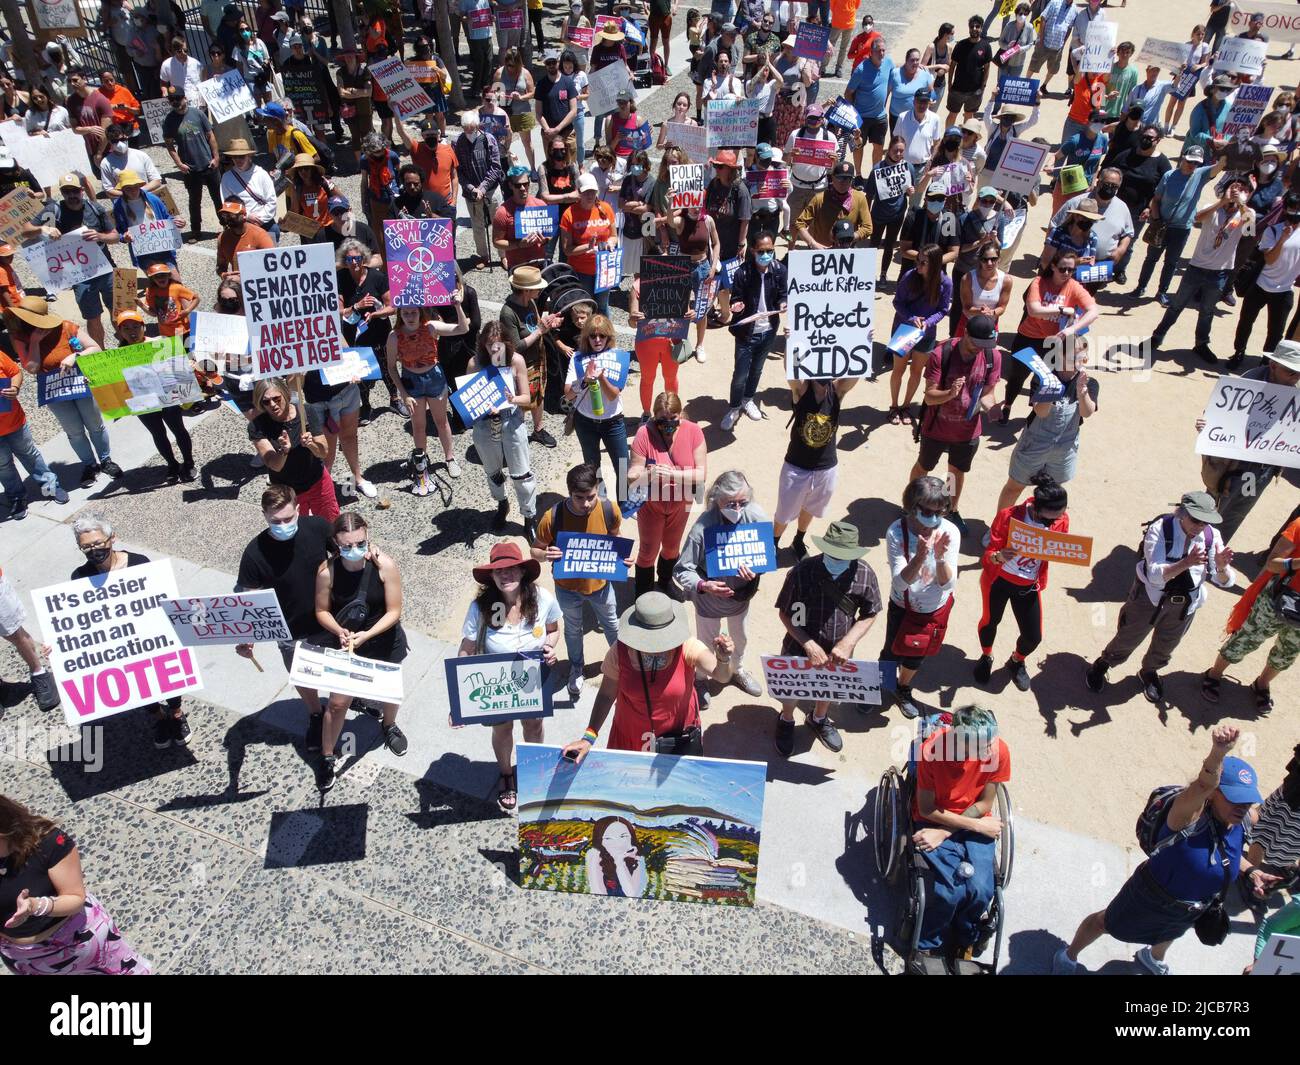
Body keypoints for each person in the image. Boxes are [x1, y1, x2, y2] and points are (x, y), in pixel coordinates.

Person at [1056, 725, 1275, 975]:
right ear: (1214, 794)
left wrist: (1250, 872)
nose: (1243, 806)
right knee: (1105, 922)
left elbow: (1227, 854)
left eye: (1247, 800)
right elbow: (1202, 785)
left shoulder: (1242, 821)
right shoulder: (1186, 816)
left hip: (1193, 906)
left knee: (1172, 932)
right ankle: (1069, 955)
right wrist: (1218, 753)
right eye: (1235, 798)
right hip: (1151, 896)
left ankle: (1153, 956)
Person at [1085, 491, 1234, 703]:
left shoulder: (1212, 536)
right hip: (1150, 598)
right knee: (1128, 637)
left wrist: (1221, 567)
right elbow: (1155, 575)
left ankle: (1149, 672)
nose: (1200, 526)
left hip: (1185, 605)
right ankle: (1103, 664)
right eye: (1195, 520)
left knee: (1167, 644)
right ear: (1181, 513)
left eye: (1205, 522)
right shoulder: (1160, 530)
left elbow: (1226, 581)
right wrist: (1186, 563)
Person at [561, 590, 733, 763]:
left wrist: (723, 659)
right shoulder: (619, 651)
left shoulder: (687, 646)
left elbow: (721, 675)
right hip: (630, 738)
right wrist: (589, 736)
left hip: (677, 739)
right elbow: (606, 695)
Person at [69, 515, 190, 747]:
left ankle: (176, 713)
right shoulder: (79, 578)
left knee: (165, 675)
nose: (93, 550)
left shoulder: (139, 563)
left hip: (150, 634)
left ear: (112, 538)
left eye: (97, 543)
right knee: (137, 681)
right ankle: (157, 716)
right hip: (117, 641)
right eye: (86, 546)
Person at [457, 542, 560, 812]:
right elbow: (466, 649)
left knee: (534, 727)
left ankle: (533, 770)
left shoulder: (542, 598)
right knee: (502, 729)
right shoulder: (480, 608)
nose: (506, 575)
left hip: (533, 679)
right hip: (496, 683)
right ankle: (506, 774)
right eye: (499, 570)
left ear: (523, 572)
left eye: (512, 569)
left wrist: (550, 646)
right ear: (491, 576)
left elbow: (553, 628)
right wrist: (459, 703)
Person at [310, 514, 408, 792]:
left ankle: (389, 726)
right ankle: (327, 756)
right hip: (347, 644)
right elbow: (321, 610)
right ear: (335, 543)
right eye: (346, 545)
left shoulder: (383, 565)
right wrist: (339, 630)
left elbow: (394, 611)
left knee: (390, 692)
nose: (354, 549)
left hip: (383, 640)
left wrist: (368, 634)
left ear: (368, 537)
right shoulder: (327, 571)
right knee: (338, 703)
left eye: (360, 543)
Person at [0, 795, 151, 974]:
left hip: (79, 941)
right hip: (25, 959)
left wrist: (35, 906)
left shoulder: (48, 842)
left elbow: (75, 897)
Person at [769, 520, 881, 754]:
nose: (837, 559)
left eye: (843, 556)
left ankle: (819, 719)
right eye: (833, 553)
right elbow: (785, 613)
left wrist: (848, 642)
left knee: (828, 688)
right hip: (798, 645)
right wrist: (808, 644)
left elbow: (870, 613)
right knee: (790, 691)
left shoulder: (865, 573)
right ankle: (786, 719)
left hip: (838, 650)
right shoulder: (801, 572)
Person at [910, 705, 1010, 966]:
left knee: (981, 889)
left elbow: (985, 804)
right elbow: (927, 808)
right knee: (949, 893)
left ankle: (965, 937)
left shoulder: (998, 750)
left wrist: (947, 832)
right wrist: (963, 827)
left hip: (971, 819)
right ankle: (927, 943)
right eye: (983, 747)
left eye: (991, 742)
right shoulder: (932, 753)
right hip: (935, 817)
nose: (991, 751)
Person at [531, 462, 628, 700]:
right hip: (567, 588)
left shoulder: (609, 509)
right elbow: (535, 551)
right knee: (573, 630)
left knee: (613, 626)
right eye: (579, 497)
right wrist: (546, 555)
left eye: (591, 497)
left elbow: (616, 538)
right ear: (568, 492)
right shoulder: (552, 517)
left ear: (598, 490)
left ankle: (624, 667)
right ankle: (577, 667)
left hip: (601, 586)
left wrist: (622, 558)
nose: (585, 503)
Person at [6, 297, 119, 488]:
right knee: (74, 431)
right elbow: (31, 368)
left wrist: (75, 355)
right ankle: (89, 464)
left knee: (95, 425)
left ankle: (105, 460)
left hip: (80, 382)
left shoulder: (66, 327)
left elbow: (95, 347)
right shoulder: (20, 336)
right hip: (54, 391)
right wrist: (34, 341)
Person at [975, 474, 1070, 690]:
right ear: (1035, 508)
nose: (1053, 522)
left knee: (1033, 637)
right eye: (1048, 520)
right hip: (998, 581)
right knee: (990, 623)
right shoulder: (1009, 516)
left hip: (1028, 586)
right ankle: (986, 656)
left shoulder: (1060, 519)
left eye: (1058, 518)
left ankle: (1016, 661)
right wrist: (999, 556)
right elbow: (989, 554)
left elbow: (1061, 541)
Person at [910, 314, 1002, 536]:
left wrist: (993, 408)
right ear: (966, 333)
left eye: (985, 344)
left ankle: (950, 509)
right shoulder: (941, 354)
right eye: (977, 343)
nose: (980, 349)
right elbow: (930, 397)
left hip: (968, 431)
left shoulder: (992, 356)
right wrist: (950, 394)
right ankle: (912, 506)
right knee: (924, 467)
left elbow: (987, 395)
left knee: (955, 472)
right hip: (936, 428)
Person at [1202, 508, 1300, 715]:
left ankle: (1261, 684)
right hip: (1278, 598)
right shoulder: (1299, 526)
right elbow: (1272, 564)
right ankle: (1214, 674)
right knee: (1247, 639)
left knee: (1287, 653)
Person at [1150, 178, 1253, 363]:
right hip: (1196, 267)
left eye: (1243, 189)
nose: (1237, 191)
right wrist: (1222, 201)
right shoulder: (1213, 207)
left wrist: (1242, 204)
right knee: (1176, 306)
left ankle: (1201, 344)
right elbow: (1197, 217)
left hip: (1220, 272)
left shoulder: (1247, 213)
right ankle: (1157, 336)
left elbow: (1249, 232)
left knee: (1207, 311)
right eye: (1234, 187)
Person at [883, 476, 959, 719]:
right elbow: (900, 582)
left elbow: (948, 583)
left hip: (933, 609)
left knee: (917, 653)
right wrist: (919, 557)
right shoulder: (896, 532)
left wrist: (937, 558)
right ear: (912, 505)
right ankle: (883, 687)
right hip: (901, 605)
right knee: (890, 651)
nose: (934, 517)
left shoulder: (949, 532)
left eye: (940, 510)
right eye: (927, 510)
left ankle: (903, 688)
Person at [1000, 249, 1098, 422]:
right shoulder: (1039, 282)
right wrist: (1062, 309)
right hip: (1028, 338)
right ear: (1053, 266)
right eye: (1062, 269)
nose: (1066, 273)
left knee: (1043, 380)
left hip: (1053, 343)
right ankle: (1007, 405)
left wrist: (1071, 329)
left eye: (1071, 270)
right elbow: (1033, 310)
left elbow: (1093, 312)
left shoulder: (1074, 287)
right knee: (1017, 376)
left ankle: (1034, 415)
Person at [627, 392, 706, 598]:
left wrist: (673, 473)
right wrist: (648, 474)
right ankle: (643, 595)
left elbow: (701, 473)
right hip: (651, 506)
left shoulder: (694, 431)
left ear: (681, 415)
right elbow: (632, 477)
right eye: (662, 420)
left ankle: (665, 583)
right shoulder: (644, 434)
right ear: (654, 417)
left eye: (673, 419)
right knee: (647, 551)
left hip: (681, 504)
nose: (668, 424)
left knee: (672, 548)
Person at [25, 175, 119, 348]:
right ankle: (101, 353)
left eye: (75, 190)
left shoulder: (94, 207)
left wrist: (100, 236)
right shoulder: (53, 210)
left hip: (105, 270)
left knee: (118, 311)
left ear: (82, 191)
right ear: (61, 193)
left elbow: (115, 236)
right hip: (79, 277)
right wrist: (43, 228)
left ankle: (126, 344)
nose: (72, 195)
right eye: (67, 191)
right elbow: (26, 231)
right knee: (92, 316)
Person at [386, 299, 469, 492]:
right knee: (418, 425)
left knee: (442, 421)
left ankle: (450, 458)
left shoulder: (431, 327)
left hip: (434, 378)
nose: (410, 317)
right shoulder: (394, 337)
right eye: (405, 313)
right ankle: (421, 461)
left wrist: (457, 306)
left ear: (420, 312)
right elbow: (391, 367)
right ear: (399, 314)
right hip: (411, 382)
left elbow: (462, 328)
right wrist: (404, 394)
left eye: (413, 312)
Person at [773, 373, 858, 560]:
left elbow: (855, 372)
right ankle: (774, 542)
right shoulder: (801, 390)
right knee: (784, 512)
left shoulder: (836, 391)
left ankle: (798, 540)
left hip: (825, 468)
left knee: (811, 508)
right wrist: (790, 343)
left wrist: (864, 345)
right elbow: (790, 369)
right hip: (796, 467)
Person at [468, 323, 538, 540]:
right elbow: (467, 399)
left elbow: (527, 397)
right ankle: (502, 504)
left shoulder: (516, 361)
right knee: (492, 470)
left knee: (521, 472)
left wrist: (512, 399)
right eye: (490, 346)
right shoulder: (475, 363)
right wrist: (479, 406)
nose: (495, 350)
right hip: (484, 423)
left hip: (511, 420)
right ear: (483, 345)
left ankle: (529, 517)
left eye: (498, 346)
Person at [111, 309, 194, 482]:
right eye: (126, 328)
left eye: (135, 326)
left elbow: (178, 366)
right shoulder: (116, 357)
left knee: (178, 429)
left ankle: (189, 462)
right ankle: (172, 464)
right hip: (143, 401)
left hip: (167, 395)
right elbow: (112, 383)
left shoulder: (160, 342)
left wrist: (187, 366)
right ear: (119, 333)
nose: (132, 331)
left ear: (144, 327)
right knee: (158, 433)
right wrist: (94, 381)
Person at [1132, 145, 1220, 302]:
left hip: (1181, 229)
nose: (1192, 165)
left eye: (1196, 163)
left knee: (1171, 262)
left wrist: (1227, 148)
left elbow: (1221, 166)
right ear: (1183, 158)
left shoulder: (1200, 175)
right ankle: (1140, 287)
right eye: (1190, 161)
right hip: (1162, 225)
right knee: (1151, 258)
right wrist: (1157, 219)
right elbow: (1156, 200)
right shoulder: (1169, 175)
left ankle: (1162, 292)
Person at [720, 231, 786, 430]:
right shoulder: (743, 273)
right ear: (753, 251)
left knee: (757, 369)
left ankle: (748, 400)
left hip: (768, 331)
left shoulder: (780, 270)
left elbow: (783, 294)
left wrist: (783, 302)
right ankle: (734, 407)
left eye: (770, 251)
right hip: (746, 333)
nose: (766, 255)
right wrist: (736, 305)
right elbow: (736, 298)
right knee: (740, 374)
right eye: (762, 251)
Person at [247, 377, 337, 521]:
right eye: (266, 402)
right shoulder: (257, 426)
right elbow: (274, 465)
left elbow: (323, 451)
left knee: (330, 524)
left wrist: (311, 444)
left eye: (276, 399)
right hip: (287, 492)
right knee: (297, 531)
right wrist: (283, 450)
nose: (272, 405)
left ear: (285, 394)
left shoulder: (306, 411)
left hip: (317, 482)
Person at [1231, 190, 1300, 371]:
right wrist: (1283, 239)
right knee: (1246, 321)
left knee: (1276, 332)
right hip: (1261, 286)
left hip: (1284, 290)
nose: (1295, 214)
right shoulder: (1273, 231)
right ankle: (1239, 352)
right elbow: (1270, 259)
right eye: (1292, 209)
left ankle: (1266, 361)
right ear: (1285, 210)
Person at [0, 337, 68, 518]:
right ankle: (16, 497)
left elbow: (15, 372)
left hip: (14, 422)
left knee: (30, 454)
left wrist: (14, 387)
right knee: (2, 465)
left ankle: (50, 486)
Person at [564, 313, 627, 502]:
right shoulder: (577, 358)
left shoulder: (620, 357)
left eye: (602, 336)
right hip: (585, 422)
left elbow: (612, 394)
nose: (597, 340)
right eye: (593, 336)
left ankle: (624, 505)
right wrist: (584, 380)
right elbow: (568, 394)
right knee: (592, 466)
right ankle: (600, 499)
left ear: (609, 337)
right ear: (586, 337)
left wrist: (601, 378)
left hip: (613, 421)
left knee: (622, 466)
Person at [888, 243, 953, 424]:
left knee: (916, 372)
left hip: (926, 334)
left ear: (935, 264)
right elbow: (897, 302)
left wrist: (928, 322)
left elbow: (943, 309)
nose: (919, 265)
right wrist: (911, 317)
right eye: (918, 260)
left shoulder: (945, 282)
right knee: (898, 370)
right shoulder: (910, 277)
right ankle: (894, 406)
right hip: (905, 330)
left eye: (924, 262)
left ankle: (906, 406)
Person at [500, 264, 561, 445]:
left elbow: (536, 325)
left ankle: (538, 429)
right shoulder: (508, 313)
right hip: (522, 365)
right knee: (522, 401)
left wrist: (549, 322)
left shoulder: (531, 302)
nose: (541, 289)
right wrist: (540, 331)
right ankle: (514, 435)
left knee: (539, 395)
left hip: (537, 358)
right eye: (537, 287)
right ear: (526, 290)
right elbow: (516, 346)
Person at [161, 88, 221, 238]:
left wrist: (216, 157)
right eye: (172, 99)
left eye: (178, 98)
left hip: (209, 164)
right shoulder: (169, 121)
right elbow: (169, 145)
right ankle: (196, 230)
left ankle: (226, 226)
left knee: (218, 197)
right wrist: (179, 163)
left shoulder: (198, 113)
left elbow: (210, 136)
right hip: (190, 169)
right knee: (194, 201)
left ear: (185, 98)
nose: (175, 102)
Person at [560, 174, 618, 315]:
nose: (590, 195)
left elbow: (614, 236)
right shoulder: (569, 214)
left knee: (603, 306)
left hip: (604, 268)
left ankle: (606, 335)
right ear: (578, 192)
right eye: (586, 192)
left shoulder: (605, 208)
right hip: (581, 271)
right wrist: (588, 247)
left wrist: (610, 242)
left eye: (593, 191)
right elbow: (567, 250)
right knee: (585, 307)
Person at [455, 112, 504, 270]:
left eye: (472, 129)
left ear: (477, 126)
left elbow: (496, 167)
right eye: (466, 129)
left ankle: (503, 255)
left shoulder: (488, 139)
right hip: (471, 192)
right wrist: (471, 188)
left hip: (491, 190)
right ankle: (483, 255)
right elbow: (458, 170)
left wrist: (482, 187)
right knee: (477, 226)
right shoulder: (457, 142)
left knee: (498, 223)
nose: (469, 132)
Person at [111, 172, 183, 272]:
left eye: (135, 187)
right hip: (143, 252)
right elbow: (119, 231)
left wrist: (175, 223)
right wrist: (124, 237)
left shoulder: (153, 199)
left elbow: (167, 218)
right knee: (156, 280)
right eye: (128, 188)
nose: (133, 191)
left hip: (163, 247)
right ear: (122, 190)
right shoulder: (119, 206)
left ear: (140, 186)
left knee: (175, 279)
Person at [793, 160, 872, 249]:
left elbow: (867, 227)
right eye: (840, 178)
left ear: (852, 181)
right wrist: (812, 243)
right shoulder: (820, 199)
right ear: (832, 178)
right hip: (821, 251)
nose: (843, 182)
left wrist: (850, 237)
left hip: (848, 250)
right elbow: (800, 223)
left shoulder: (859, 198)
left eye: (847, 179)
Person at [846, 34, 894, 169]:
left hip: (880, 116)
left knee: (879, 147)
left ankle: (875, 174)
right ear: (871, 52)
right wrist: (852, 114)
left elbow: (892, 80)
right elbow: (849, 92)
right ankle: (859, 175)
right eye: (878, 50)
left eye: (884, 50)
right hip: (862, 117)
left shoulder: (889, 63)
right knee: (859, 145)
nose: (882, 53)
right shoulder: (860, 70)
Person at [219, 137, 277, 232]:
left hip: (263, 221)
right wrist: (247, 216)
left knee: (274, 232)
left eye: (242, 156)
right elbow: (227, 204)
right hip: (240, 221)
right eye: (235, 157)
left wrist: (260, 219)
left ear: (249, 156)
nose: (238, 160)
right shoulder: (227, 178)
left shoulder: (261, 174)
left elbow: (272, 201)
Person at [945, 16, 992, 129]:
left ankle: (964, 139)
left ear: (981, 28)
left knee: (969, 116)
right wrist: (950, 83)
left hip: (974, 91)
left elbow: (987, 68)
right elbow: (952, 66)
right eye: (972, 26)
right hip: (957, 89)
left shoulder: (986, 46)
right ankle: (947, 137)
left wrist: (983, 86)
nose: (974, 29)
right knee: (952, 114)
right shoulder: (960, 45)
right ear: (969, 28)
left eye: (977, 26)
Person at [99, 123, 159, 200]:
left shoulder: (141, 155)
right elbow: (108, 190)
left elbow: (156, 181)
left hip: (145, 198)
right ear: (110, 142)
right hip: (124, 202)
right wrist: (129, 195)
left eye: (122, 139)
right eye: (115, 141)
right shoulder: (106, 163)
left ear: (127, 137)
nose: (120, 143)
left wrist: (139, 192)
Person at [214, 199, 274, 276]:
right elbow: (220, 266)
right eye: (225, 215)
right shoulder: (223, 238)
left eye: (232, 215)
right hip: (237, 283)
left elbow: (273, 267)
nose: (228, 218)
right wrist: (223, 275)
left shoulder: (260, 236)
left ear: (244, 215)